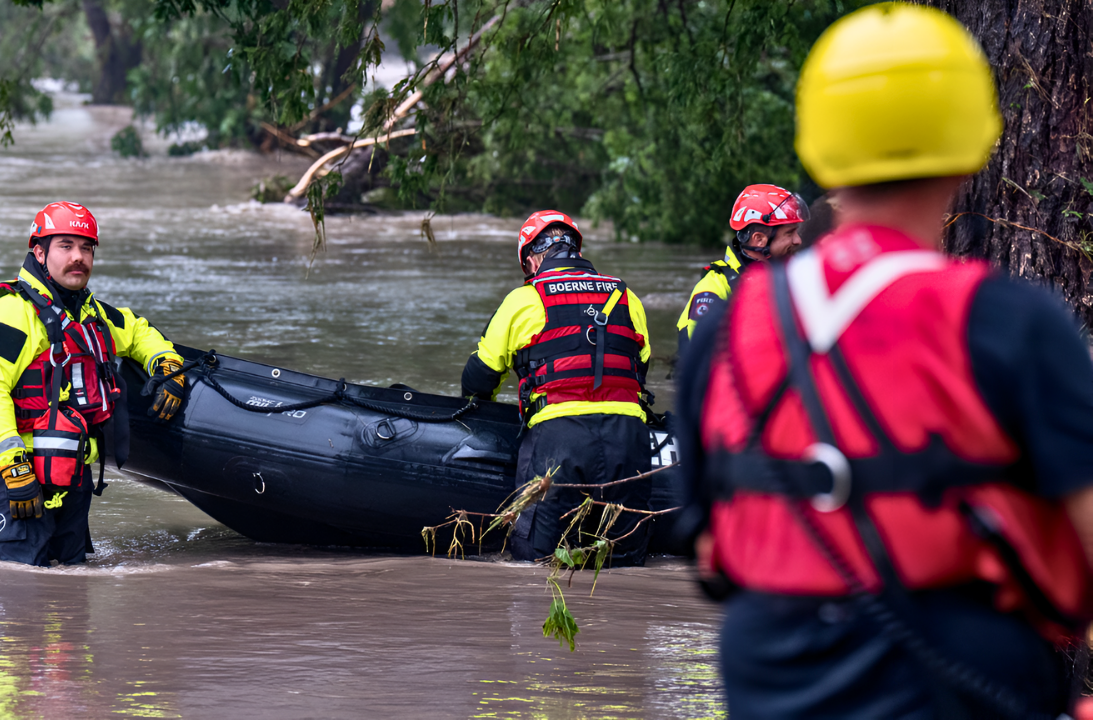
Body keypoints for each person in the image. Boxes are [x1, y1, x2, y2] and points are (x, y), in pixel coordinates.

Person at [672, 4, 1093, 718]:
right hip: (965, 681)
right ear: (972, 148)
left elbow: (711, 550)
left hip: (772, 680)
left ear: (821, 153)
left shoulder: (720, 331)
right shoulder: (1014, 325)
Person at [0, 202, 188, 566]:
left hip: (71, 474)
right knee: (15, 591)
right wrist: (13, 467)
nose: (78, 257)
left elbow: (138, 332)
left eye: (86, 248)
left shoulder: (90, 313)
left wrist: (167, 365)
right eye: (66, 246)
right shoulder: (11, 311)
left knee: (68, 600)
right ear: (39, 252)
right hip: (16, 475)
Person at [461, 210, 655, 566]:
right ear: (576, 250)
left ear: (532, 259)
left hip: (559, 444)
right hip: (628, 442)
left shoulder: (524, 299)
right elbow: (639, 367)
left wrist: (482, 420)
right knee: (625, 564)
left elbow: (479, 379)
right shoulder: (628, 297)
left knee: (537, 565)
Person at [675, 184, 807, 356]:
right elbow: (699, 359)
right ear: (759, 239)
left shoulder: (796, 277)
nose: (798, 241)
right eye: (790, 233)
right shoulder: (715, 288)